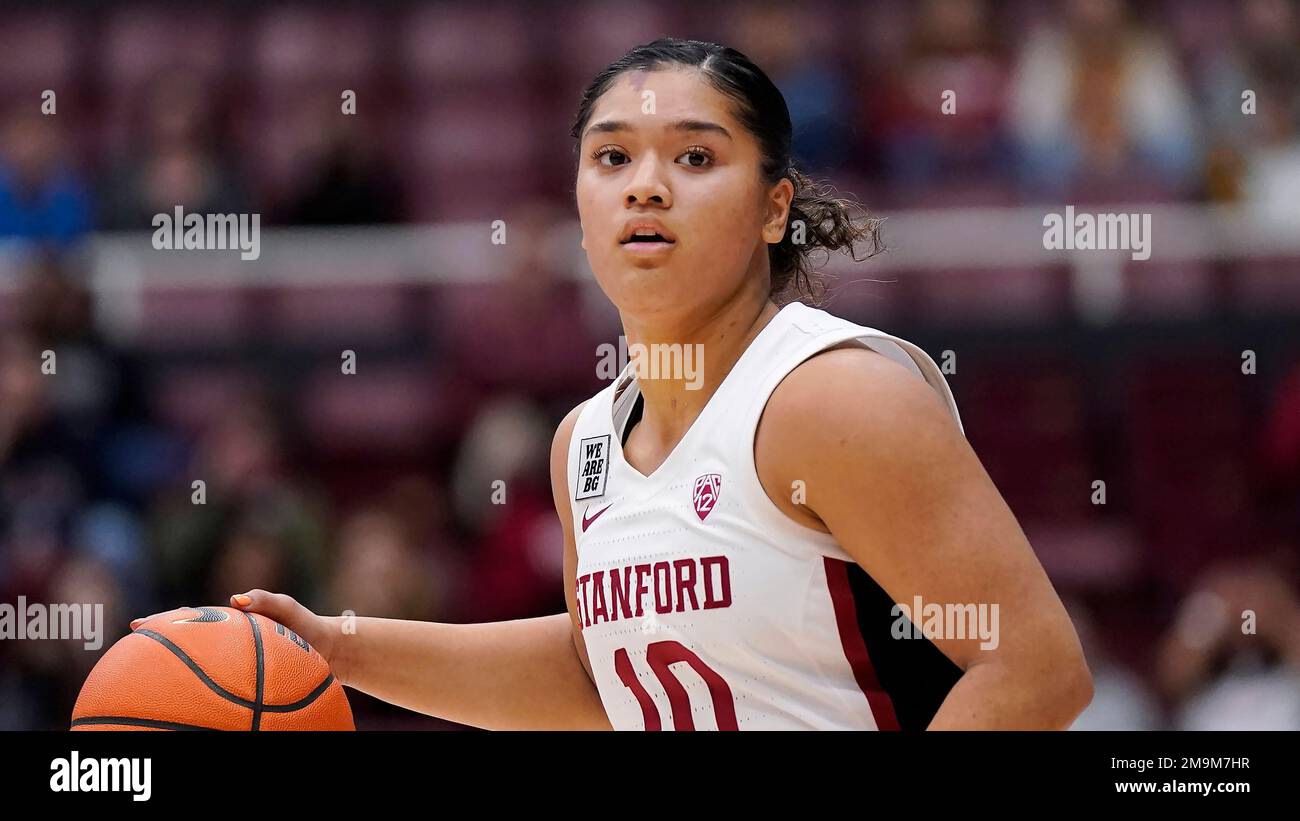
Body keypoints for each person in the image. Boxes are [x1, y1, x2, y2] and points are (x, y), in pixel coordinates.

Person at [134, 38, 1092, 730]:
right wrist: (338, 648)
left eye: (695, 157)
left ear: (773, 208)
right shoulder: (585, 441)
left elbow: (1034, 670)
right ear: (580, 208)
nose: (646, 185)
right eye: (613, 157)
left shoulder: (830, 394)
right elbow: (600, 680)